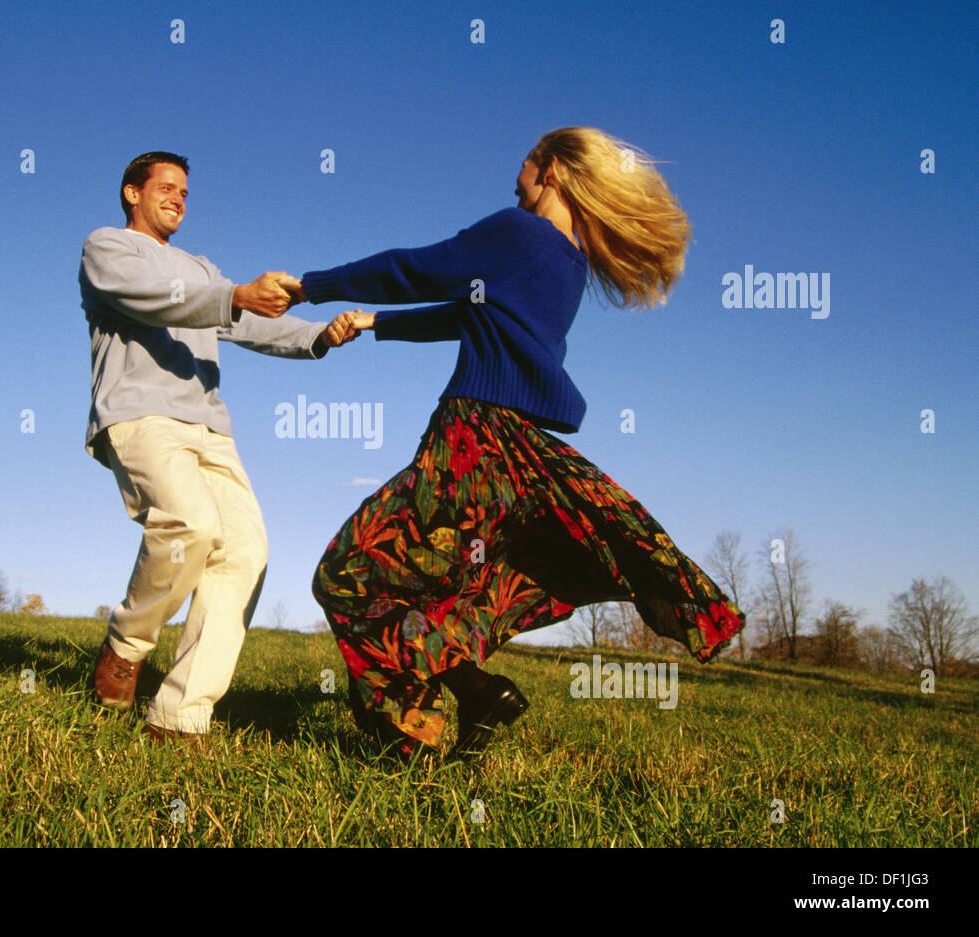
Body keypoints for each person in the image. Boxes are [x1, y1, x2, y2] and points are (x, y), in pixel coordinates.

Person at [283, 127, 746, 757]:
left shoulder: (517, 231)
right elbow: (471, 310)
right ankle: (451, 709)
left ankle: (439, 711)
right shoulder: (568, 264)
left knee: (345, 574)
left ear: (550, 170)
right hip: (516, 449)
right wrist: (376, 324)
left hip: (470, 440)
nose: (516, 177)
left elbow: (418, 267)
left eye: (524, 165)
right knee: (441, 587)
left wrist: (311, 286)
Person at [82, 151, 359, 744]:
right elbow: (155, 296)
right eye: (166, 187)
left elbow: (246, 322)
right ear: (133, 193)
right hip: (140, 415)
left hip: (210, 429)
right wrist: (235, 293)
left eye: (185, 191)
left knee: (244, 552)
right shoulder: (108, 248)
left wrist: (319, 335)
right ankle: (126, 646)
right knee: (188, 524)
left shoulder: (201, 266)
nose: (179, 197)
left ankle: (180, 716)